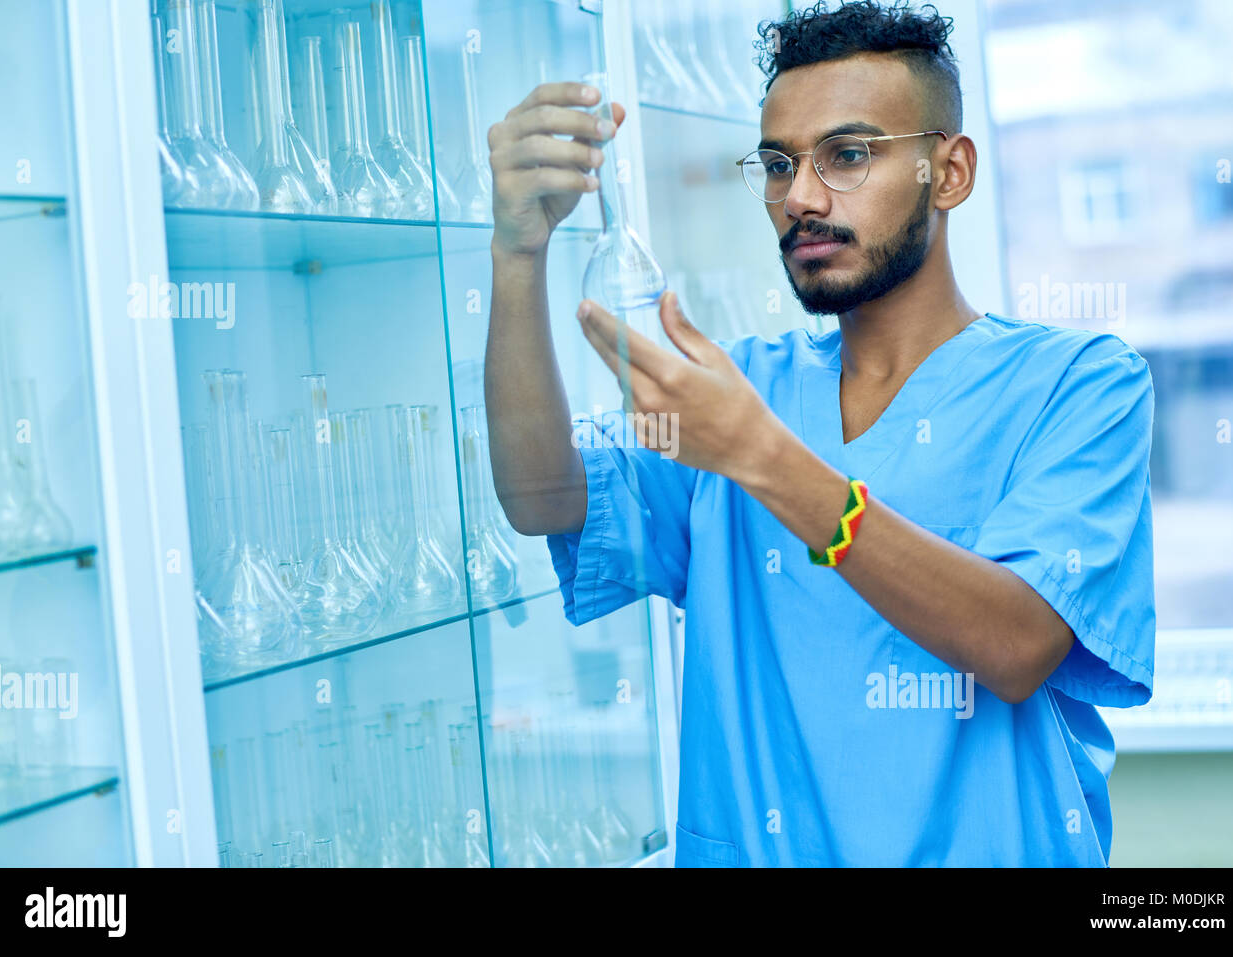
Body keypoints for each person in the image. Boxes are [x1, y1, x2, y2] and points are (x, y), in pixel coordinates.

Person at [483, 0, 1155, 866]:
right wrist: (515, 253)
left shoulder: (1077, 385)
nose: (799, 197)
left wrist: (761, 457)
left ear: (947, 173)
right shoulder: (744, 387)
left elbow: (1018, 645)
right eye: (777, 163)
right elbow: (542, 498)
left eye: (847, 155)